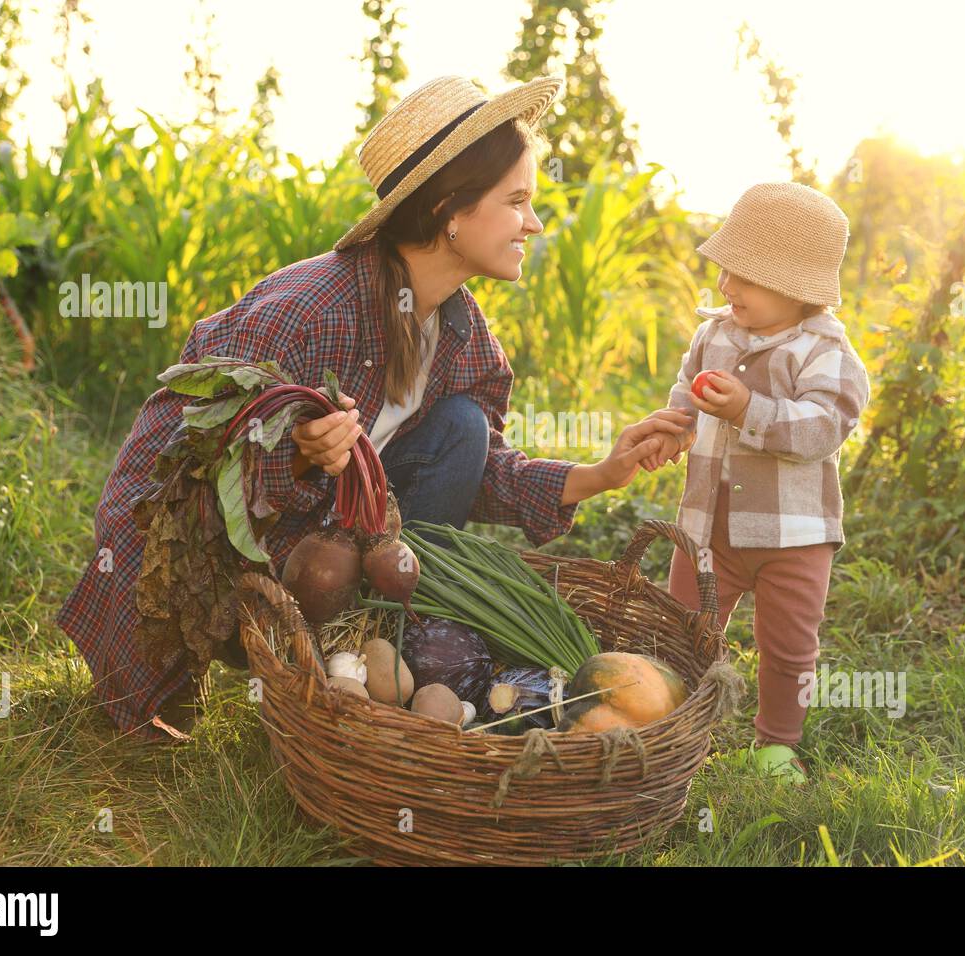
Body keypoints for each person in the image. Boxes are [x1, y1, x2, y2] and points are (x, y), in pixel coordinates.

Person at [57, 74, 691, 741]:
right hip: (217, 542)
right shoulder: (311, 312)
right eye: (518, 201)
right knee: (152, 730)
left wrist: (602, 473)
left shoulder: (460, 331)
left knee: (462, 428)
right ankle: (318, 657)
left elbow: (475, 465)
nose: (534, 222)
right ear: (450, 209)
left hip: (332, 532)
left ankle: (374, 644)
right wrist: (295, 455)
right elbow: (179, 466)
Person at [645, 182, 871, 784]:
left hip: (792, 537)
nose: (725, 285)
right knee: (683, 632)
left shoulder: (825, 352)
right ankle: (675, 729)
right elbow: (686, 391)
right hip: (706, 529)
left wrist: (750, 408)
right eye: (725, 270)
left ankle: (776, 744)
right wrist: (674, 428)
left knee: (788, 647)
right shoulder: (713, 334)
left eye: (743, 275)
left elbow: (823, 429)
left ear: (795, 286)